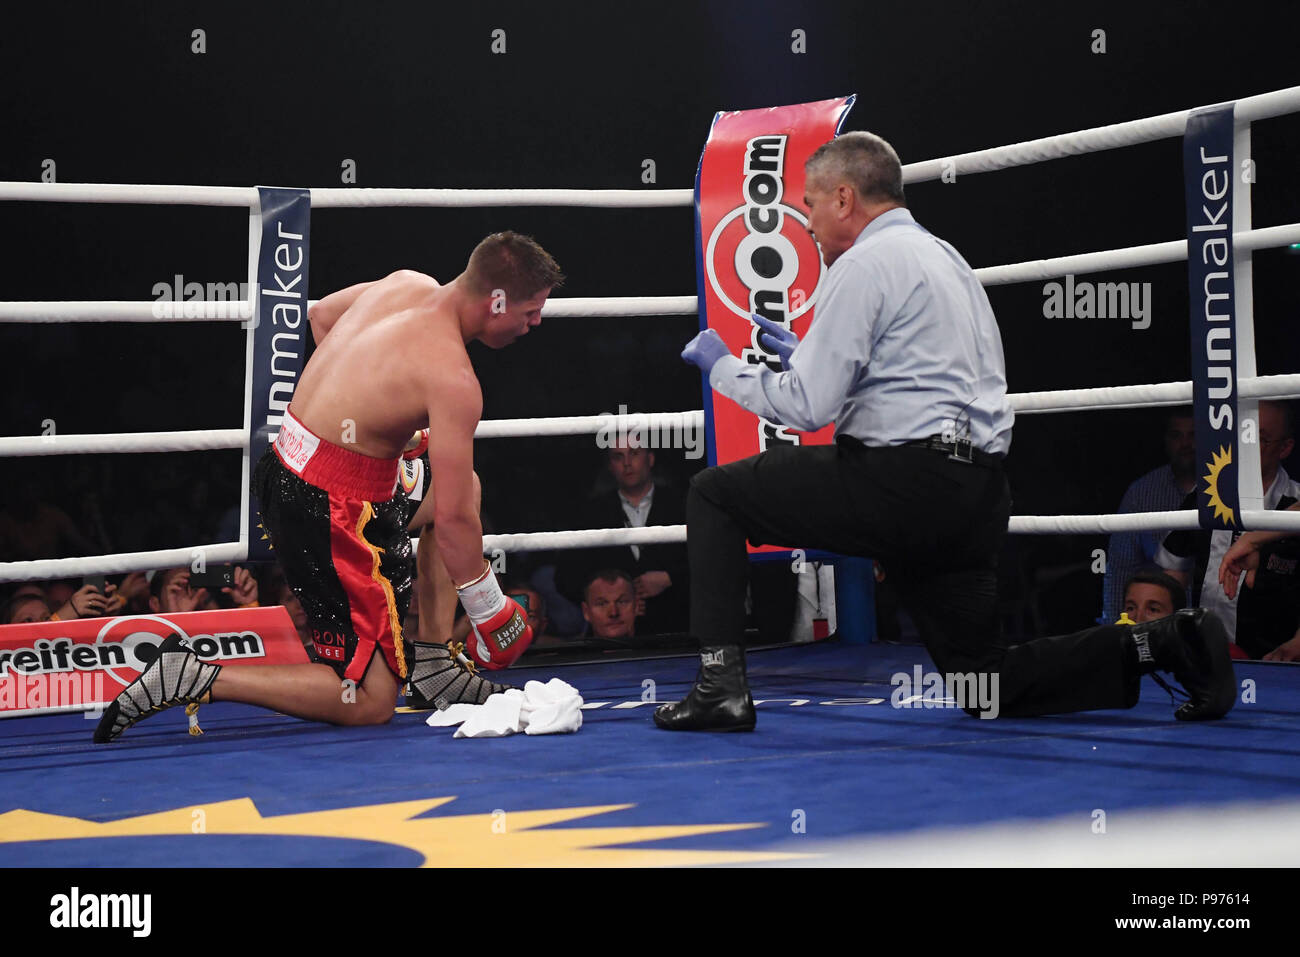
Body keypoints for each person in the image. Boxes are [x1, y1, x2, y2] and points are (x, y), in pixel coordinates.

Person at [655, 131, 1235, 732]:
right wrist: (814, 353)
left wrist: (722, 367)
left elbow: (806, 407)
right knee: (984, 681)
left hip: (902, 483)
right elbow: (923, 377)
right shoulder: (948, 260)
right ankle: (1164, 643)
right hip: (973, 492)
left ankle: (720, 686)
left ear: (845, 198)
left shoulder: (863, 264)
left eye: (810, 203)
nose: (805, 219)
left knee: (714, 494)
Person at [95, 232, 563, 743]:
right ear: (496, 301)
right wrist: (490, 610)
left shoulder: (408, 283)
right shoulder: (453, 378)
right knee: (368, 701)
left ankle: (431, 665)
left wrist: (376, 412)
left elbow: (321, 318)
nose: (536, 322)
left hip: (288, 467)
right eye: (530, 310)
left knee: (462, 485)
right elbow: (452, 525)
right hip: (329, 508)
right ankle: (197, 676)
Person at [1156, 401, 1299, 658]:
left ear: (1285, 447)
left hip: (1277, 666)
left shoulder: (1294, 503)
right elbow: (1169, 579)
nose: (1247, 446)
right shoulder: (1205, 495)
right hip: (1204, 660)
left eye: (1260, 439)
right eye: (1243, 434)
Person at [557, 439, 689, 635]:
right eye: (618, 456)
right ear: (610, 466)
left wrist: (671, 578)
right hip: (611, 639)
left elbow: (713, 562)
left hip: (677, 627)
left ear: (650, 458)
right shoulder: (590, 513)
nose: (627, 463)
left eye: (634, 453)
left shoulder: (683, 504)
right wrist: (606, 600)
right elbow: (565, 577)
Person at [1100, 410, 1197, 622]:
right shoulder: (1142, 492)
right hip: (1155, 629)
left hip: (1218, 624)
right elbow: (1119, 569)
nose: (1185, 444)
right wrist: (1116, 631)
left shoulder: (1228, 489)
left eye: (1193, 435)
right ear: (1166, 441)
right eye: (1176, 435)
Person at [581, 569, 637, 641]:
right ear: (586, 611)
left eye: (622, 602)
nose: (613, 613)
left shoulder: (655, 650)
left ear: (636, 606)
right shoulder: (570, 652)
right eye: (602, 604)